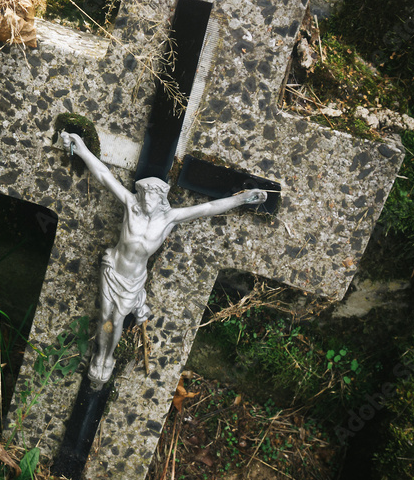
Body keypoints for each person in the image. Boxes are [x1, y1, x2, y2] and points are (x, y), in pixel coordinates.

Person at [59, 131, 267, 386]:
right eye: (143, 193)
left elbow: (208, 208)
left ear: (161, 198)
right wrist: (81, 149)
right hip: (113, 270)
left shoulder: (169, 219)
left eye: (152, 195)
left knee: (117, 320)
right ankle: (98, 355)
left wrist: (242, 199)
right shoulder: (130, 204)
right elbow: (104, 175)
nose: (146, 199)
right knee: (104, 317)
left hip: (133, 279)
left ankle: (108, 357)